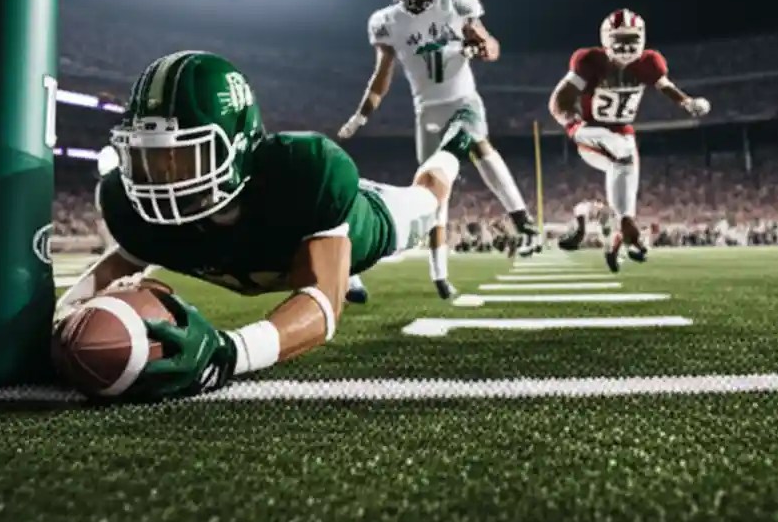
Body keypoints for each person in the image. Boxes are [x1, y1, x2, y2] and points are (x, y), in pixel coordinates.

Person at [53, 51, 476, 401]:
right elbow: (104, 276)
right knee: (315, 262)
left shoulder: (304, 174)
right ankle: (339, 265)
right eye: (147, 157)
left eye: (182, 157)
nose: (160, 178)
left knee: (428, 199)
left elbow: (323, 306)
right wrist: (63, 324)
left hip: (362, 220)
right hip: (292, 246)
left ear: (237, 146)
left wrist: (230, 352)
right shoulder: (130, 208)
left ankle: (456, 142)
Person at [338, 0, 538, 300]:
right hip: (427, 114)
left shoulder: (455, 1)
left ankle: (523, 221)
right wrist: (361, 115)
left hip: (463, 101)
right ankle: (440, 276)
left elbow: (491, 45)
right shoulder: (387, 21)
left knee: (476, 140)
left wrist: (478, 49)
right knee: (433, 200)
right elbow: (381, 77)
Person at [548, 9, 711, 272]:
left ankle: (594, 218)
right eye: (620, 38)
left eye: (631, 38)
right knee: (622, 153)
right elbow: (559, 99)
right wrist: (573, 125)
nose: (626, 45)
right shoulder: (589, 61)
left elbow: (664, 85)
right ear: (606, 39)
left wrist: (686, 102)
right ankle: (619, 232)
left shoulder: (649, 63)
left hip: (623, 134)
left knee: (625, 206)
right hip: (592, 131)